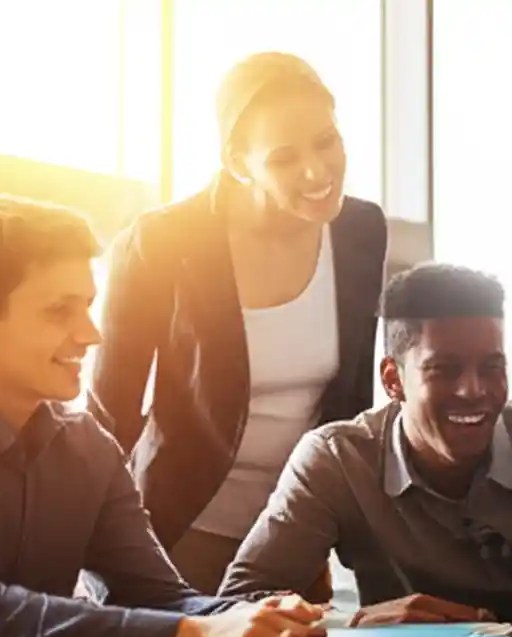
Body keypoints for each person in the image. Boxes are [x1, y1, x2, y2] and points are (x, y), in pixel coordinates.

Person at [0, 195, 324, 637]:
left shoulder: (86, 445)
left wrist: (256, 617)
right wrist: (195, 632)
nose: (91, 334)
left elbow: (161, 599)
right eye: (60, 310)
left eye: (87, 307)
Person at [89, 52, 388, 594]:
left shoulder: (360, 230)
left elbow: (353, 398)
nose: (317, 172)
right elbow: (110, 414)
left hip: (296, 534)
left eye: (326, 141)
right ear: (236, 162)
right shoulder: (162, 242)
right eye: (283, 158)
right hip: (180, 535)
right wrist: (95, 558)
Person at [220, 263, 512, 629]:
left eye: (491, 368)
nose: (473, 390)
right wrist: (353, 623)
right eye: (444, 370)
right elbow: (239, 605)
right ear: (393, 380)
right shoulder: (337, 460)